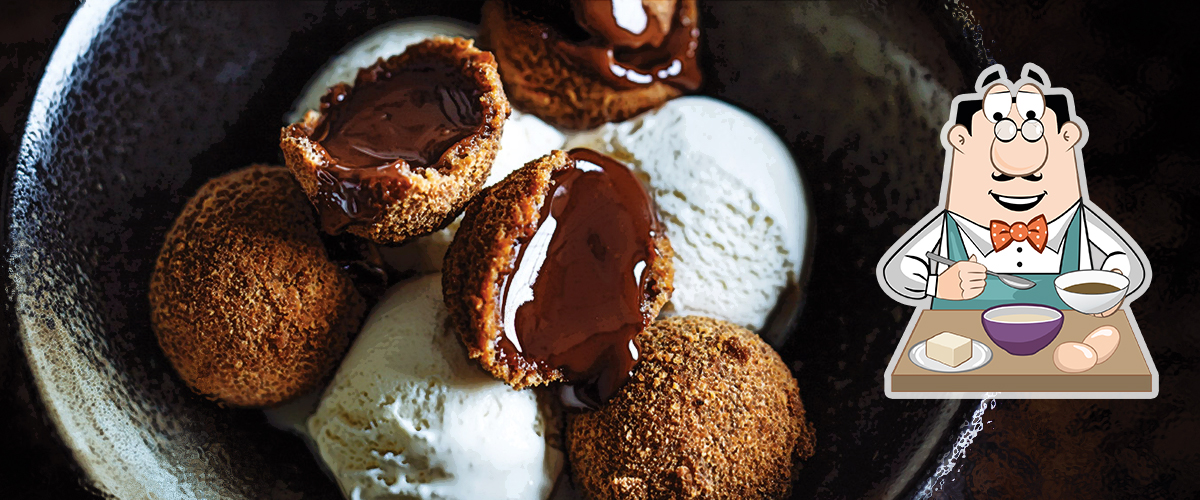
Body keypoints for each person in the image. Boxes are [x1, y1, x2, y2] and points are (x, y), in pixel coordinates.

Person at [878, 63, 1147, 317]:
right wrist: (937, 285)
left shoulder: (1078, 222)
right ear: (960, 143)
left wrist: (1113, 281)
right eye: (999, 175)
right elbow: (897, 273)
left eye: (1033, 176)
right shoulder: (952, 223)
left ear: (1068, 140)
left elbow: (1131, 267)